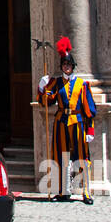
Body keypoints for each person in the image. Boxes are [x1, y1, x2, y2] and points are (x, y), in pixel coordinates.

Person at [37, 36, 96, 203]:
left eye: (69, 64)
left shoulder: (82, 85)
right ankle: (63, 191)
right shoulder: (56, 83)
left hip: (78, 122)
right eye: (64, 64)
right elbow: (46, 102)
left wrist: (90, 129)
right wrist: (42, 88)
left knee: (82, 157)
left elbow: (89, 109)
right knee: (61, 157)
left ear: (73, 66)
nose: (66, 67)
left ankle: (86, 192)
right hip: (61, 122)